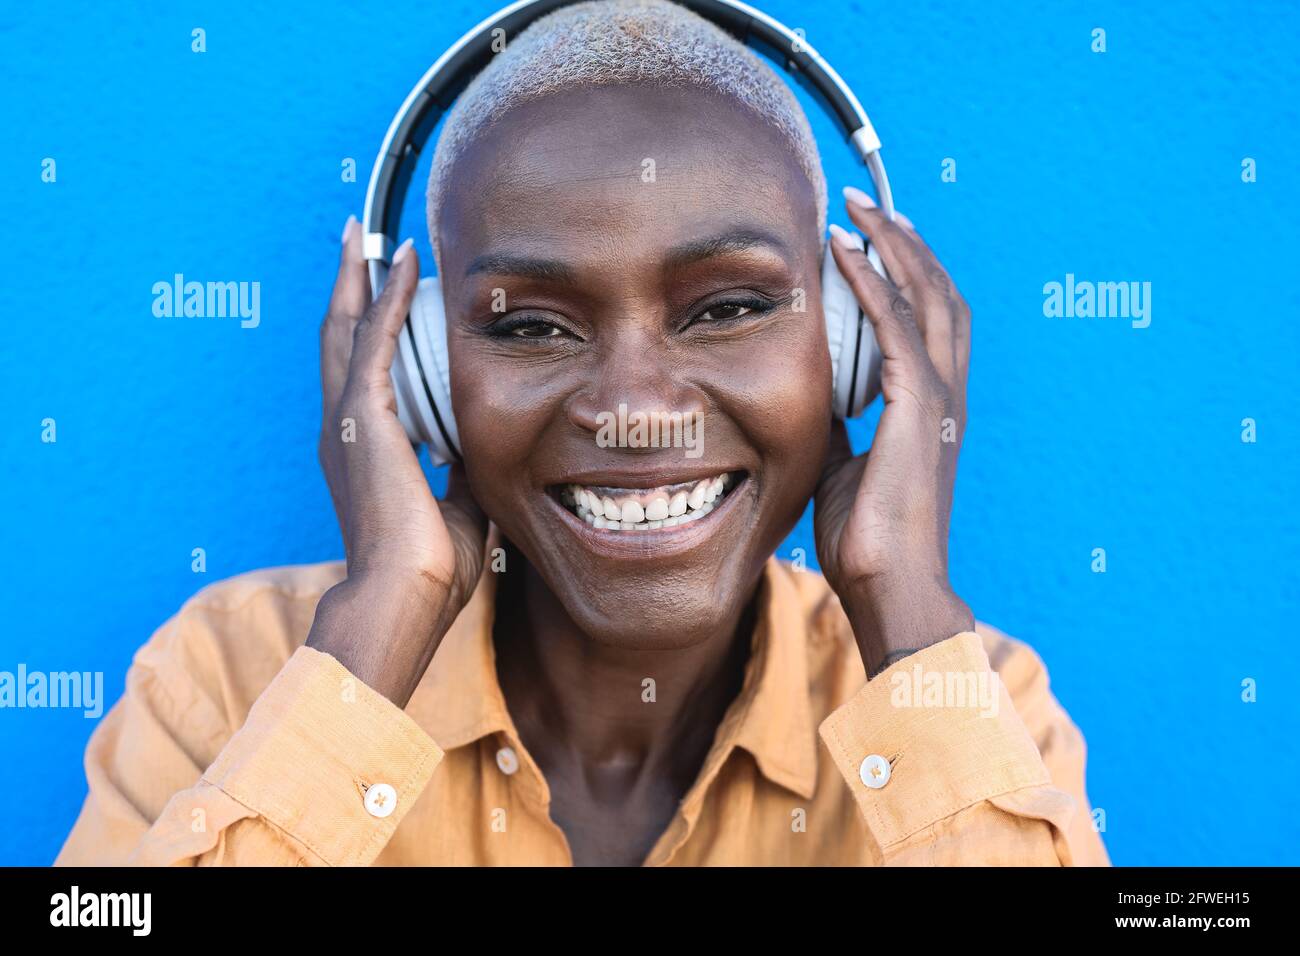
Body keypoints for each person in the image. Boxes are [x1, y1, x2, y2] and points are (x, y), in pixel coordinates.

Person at [56, 0, 1109, 866]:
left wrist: (902, 598)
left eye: (729, 307)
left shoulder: (973, 705)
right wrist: (375, 633)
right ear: (414, 376)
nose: (635, 408)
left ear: (859, 345)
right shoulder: (227, 676)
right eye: (528, 325)